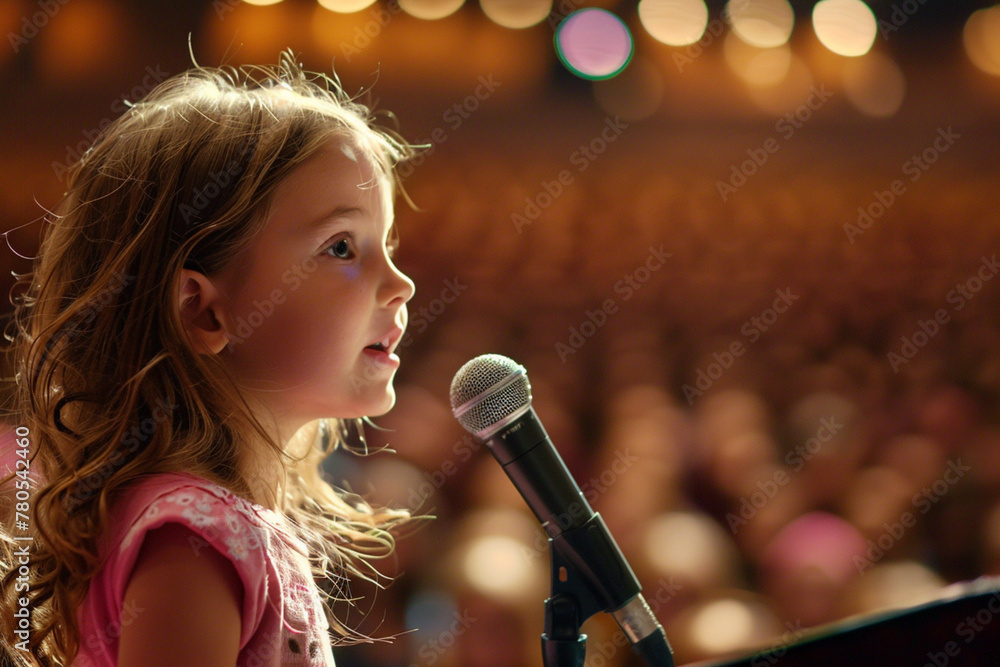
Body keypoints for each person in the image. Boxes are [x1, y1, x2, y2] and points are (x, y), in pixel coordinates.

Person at [0, 50, 419, 666]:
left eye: (385, 245)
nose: (400, 283)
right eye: (340, 246)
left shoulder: (214, 524)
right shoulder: (201, 542)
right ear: (204, 312)